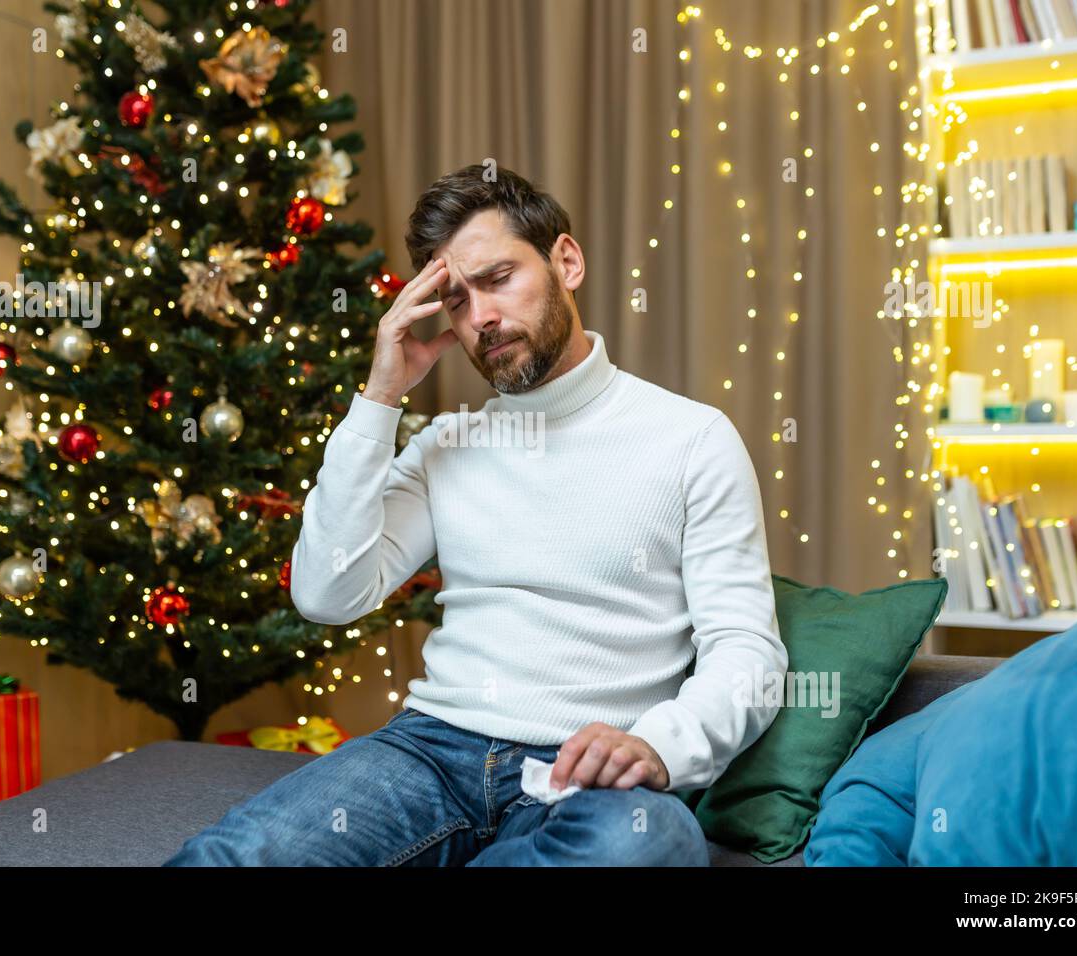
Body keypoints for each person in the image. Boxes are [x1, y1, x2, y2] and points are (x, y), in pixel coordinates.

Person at [164, 163, 787, 866]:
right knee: (229, 856)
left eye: (498, 279)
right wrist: (379, 397)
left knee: (650, 845)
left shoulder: (692, 439)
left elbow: (748, 652)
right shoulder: (445, 446)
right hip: (431, 751)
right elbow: (324, 594)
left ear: (567, 261)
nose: (481, 317)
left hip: (585, 769)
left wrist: (657, 745)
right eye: (457, 301)